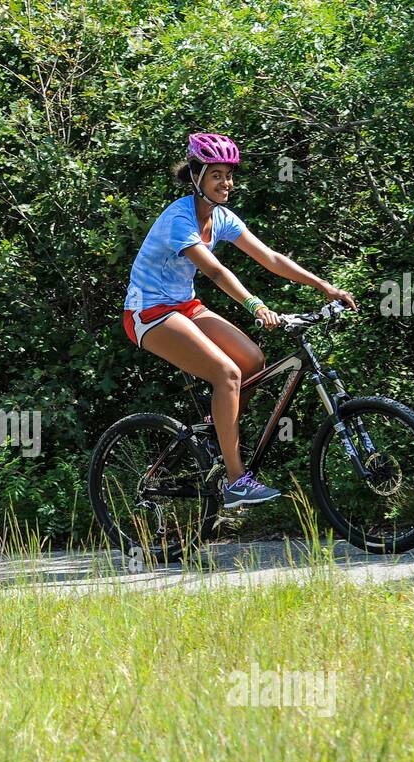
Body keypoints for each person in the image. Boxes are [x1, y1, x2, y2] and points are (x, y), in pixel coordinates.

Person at [122, 132, 357, 507]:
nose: (226, 183)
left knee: (252, 361)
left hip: (184, 306)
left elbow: (271, 258)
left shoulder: (222, 218)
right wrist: (255, 305)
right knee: (227, 373)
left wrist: (324, 286)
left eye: (229, 175)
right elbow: (214, 272)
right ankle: (235, 480)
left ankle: (218, 435)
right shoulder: (178, 219)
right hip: (147, 312)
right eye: (217, 175)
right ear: (197, 176)